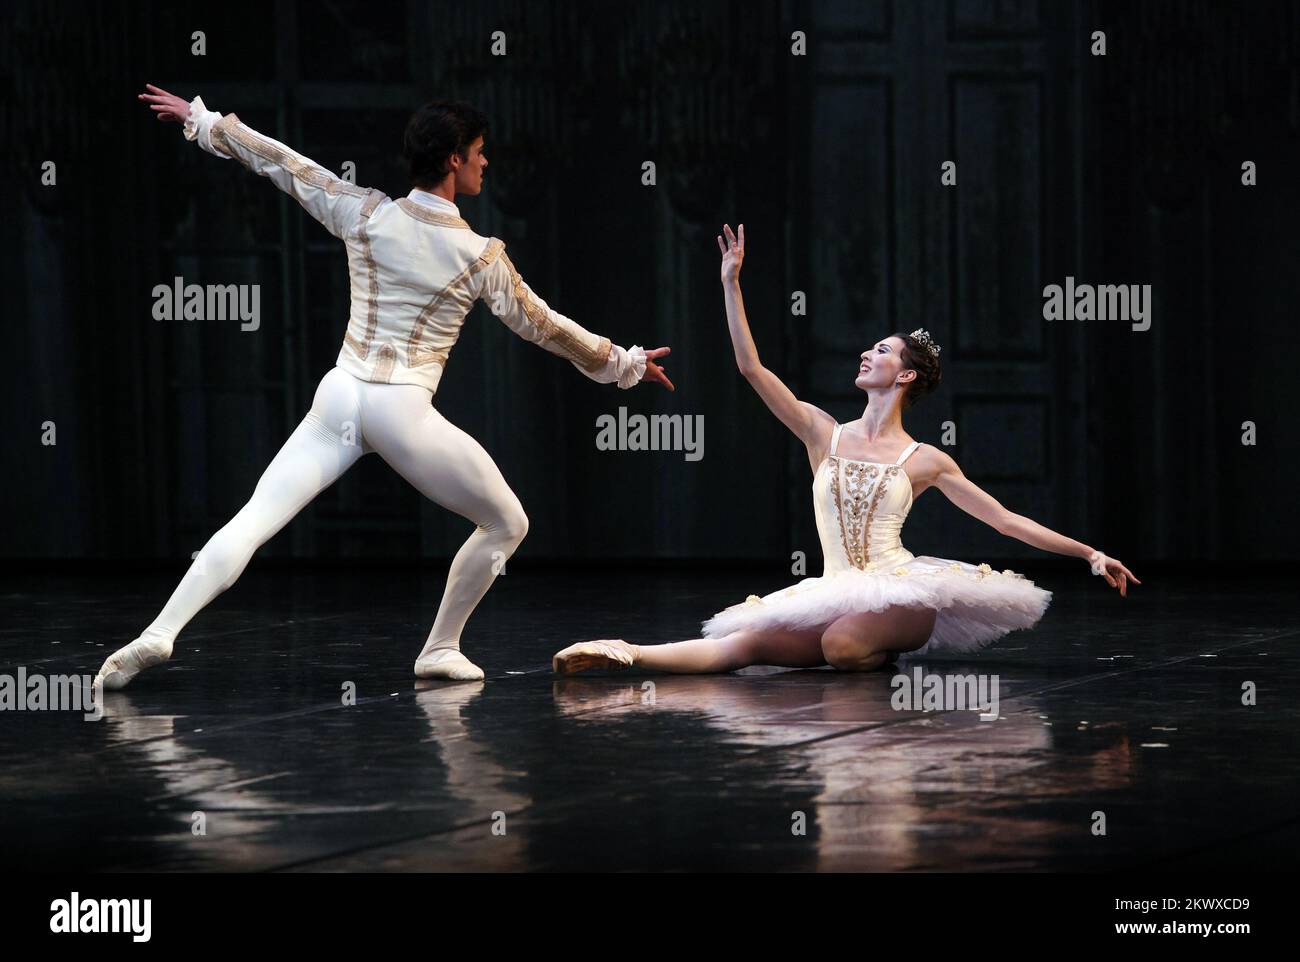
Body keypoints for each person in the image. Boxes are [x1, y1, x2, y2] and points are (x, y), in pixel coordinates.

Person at [95, 84, 673, 690]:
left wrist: (205, 121)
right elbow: (544, 326)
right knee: (507, 523)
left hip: (341, 394)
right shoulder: (479, 255)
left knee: (253, 519)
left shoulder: (366, 212)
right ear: (453, 159)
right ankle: (440, 646)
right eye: (478, 150)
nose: (485, 161)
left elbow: (287, 165)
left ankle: (158, 633)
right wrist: (622, 363)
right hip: (402, 410)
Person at [552, 223, 1138, 675]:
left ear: (905, 377)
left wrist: (1088, 553)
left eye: (882, 351)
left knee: (839, 644)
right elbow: (750, 368)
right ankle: (625, 652)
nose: (867, 354)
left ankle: (871, 653)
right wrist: (732, 284)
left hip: (903, 593)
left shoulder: (925, 459)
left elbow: (1004, 521)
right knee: (744, 645)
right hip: (834, 590)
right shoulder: (822, 433)